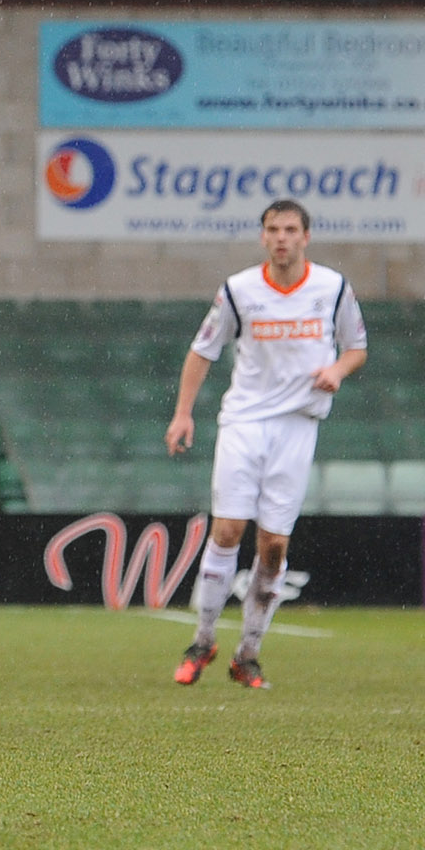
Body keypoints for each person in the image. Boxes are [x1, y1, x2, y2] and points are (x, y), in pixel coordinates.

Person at [167, 199, 367, 691]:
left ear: (306, 237)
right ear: (263, 237)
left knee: (274, 545)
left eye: (290, 229)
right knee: (229, 530)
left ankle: (248, 655)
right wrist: (182, 414)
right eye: (273, 229)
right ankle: (202, 640)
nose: (282, 237)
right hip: (244, 421)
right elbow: (202, 350)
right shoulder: (238, 290)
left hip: (298, 425)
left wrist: (337, 370)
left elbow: (357, 346)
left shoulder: (333, 287)